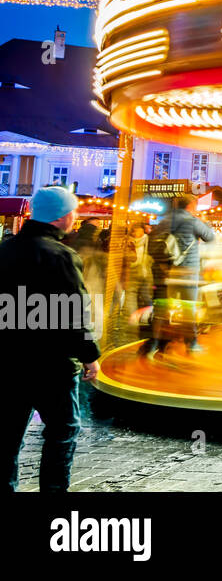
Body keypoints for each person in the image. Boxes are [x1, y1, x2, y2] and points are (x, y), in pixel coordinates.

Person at [1, 187, 101, 491]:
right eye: (73, 212)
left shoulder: (4, 250)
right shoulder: (61, 256)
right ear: (62, 216)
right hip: (52, 364)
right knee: (62, 431)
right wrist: (89, 356)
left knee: (7, 436)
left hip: (8, 361)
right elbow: (75, 312)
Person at [140, 194, 215, 357]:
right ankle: (192, 345)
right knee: (188, 309)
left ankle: (154, 345)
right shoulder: (193, 221)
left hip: (166, 273)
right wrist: (205, 222)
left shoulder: (165, 221)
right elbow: (210, 237)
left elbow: (153, 245)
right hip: (187, 272)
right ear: (191, 206)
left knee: (162, 309)